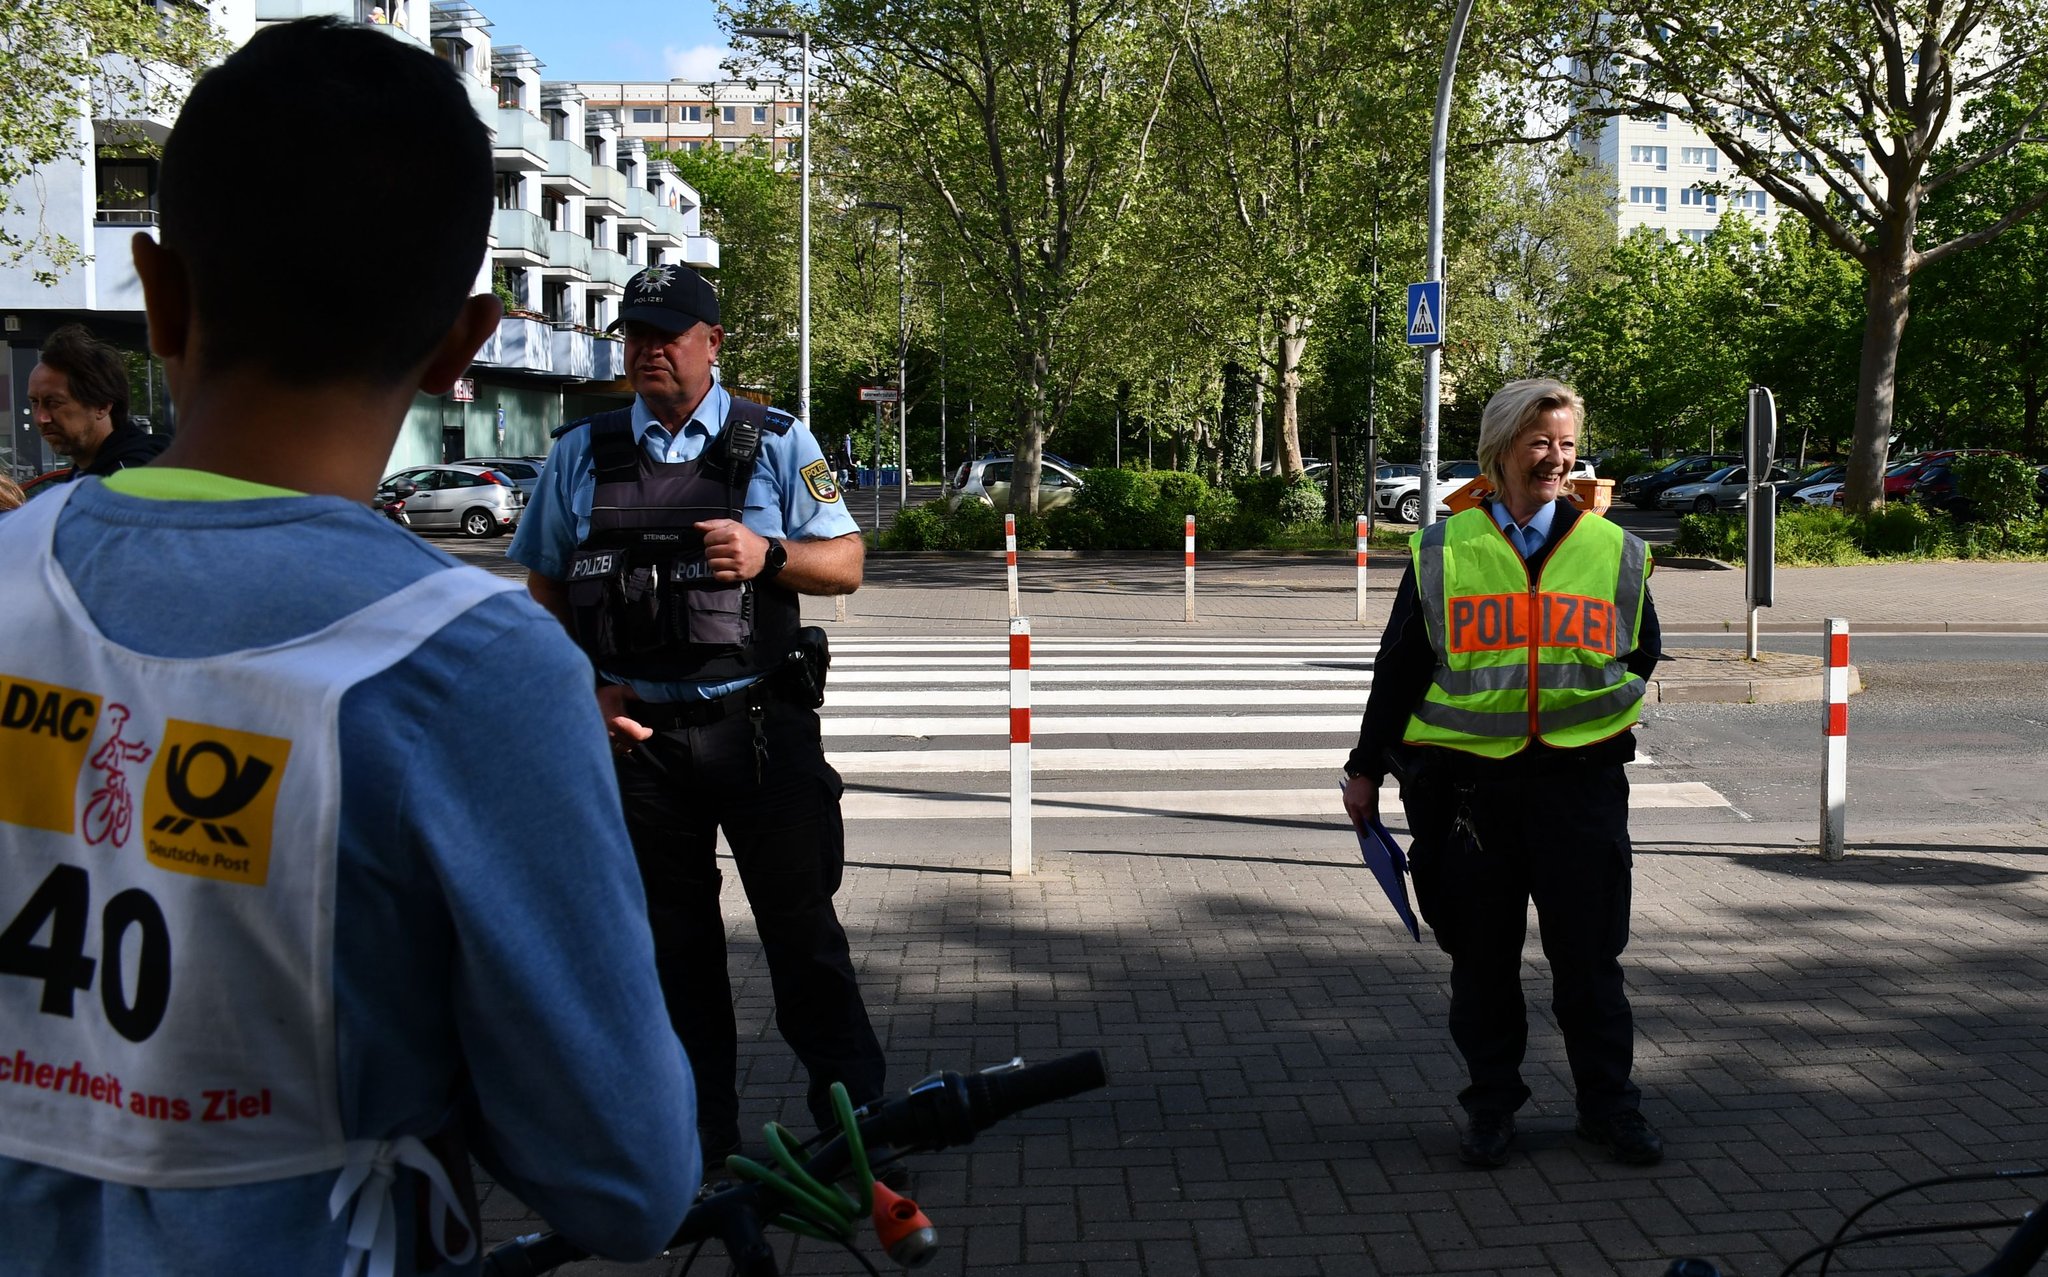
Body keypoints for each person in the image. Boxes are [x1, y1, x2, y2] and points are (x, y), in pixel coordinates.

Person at [0, 20, 699, 1275]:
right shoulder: (472, 668)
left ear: (157, 293)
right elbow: (625, 1176)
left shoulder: (10, 569)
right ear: (462, 344)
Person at [510, 264, 885, 1171]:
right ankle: (697, 1148)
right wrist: (588, 686)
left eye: (667, 333)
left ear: (711, 343)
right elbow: (545, 584)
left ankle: (857, 1135)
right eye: (635, 334)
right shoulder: (581, 452)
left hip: (762, 732)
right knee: (672, 955)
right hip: (642, 745)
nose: (648, 350)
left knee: (804, 938)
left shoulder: (778, 440)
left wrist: (768, 553)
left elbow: (846, 562)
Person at [1341, 377, 1664, 1170]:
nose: (1556, 459)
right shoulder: (1444, 550)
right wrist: (1365, 768)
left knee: (1590, 961)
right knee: (1482, 965)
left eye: (1566, 444)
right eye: (1539, 442)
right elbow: (1400, 668)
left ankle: (1609, 1107)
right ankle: (1491, 1108)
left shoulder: (1613, 549)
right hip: (1470, 797)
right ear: (1500, 449)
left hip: (1579, 789)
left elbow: (1642, 650)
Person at [26, 323, 170, 482]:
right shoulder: (86, 473)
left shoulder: (128, 477)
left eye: (54, 403)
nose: (41, 418)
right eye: (34, 402)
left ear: (102, 405)